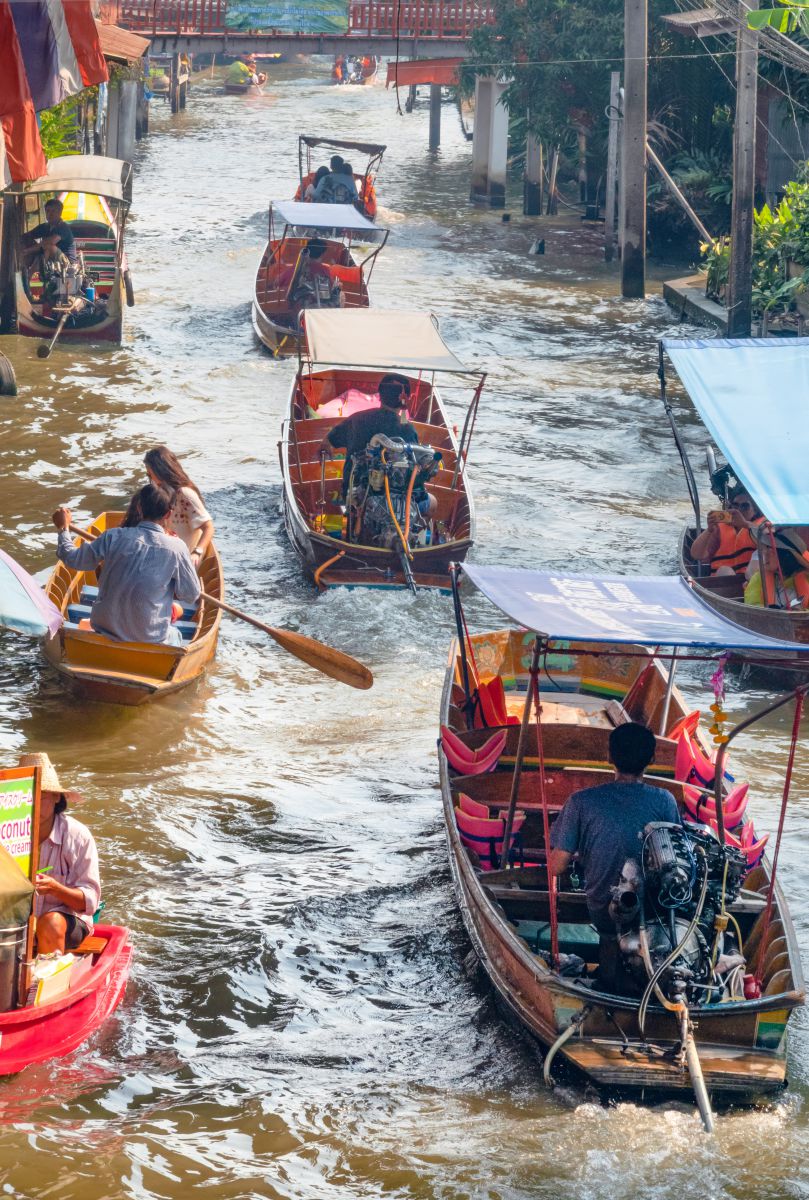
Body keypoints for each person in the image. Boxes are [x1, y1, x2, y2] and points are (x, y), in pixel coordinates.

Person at [549, 722, 681, 987]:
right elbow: (676, 853)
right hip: (656, 912)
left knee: (612, 928)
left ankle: (610, 977)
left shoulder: (580, 802)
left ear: (609, 757)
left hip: (603, 912)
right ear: (652, 760)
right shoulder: (665, 800)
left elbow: (556, 866)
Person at [53, 483, 200, 647]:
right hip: (150, 638)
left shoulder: (112, 536)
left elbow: (72, 558)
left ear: (139, 508)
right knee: (176, 634)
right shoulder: (177, 547)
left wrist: (63, 529)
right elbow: (191, 595)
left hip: (105, 629)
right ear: (168, 514)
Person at [18, 752, 101, 955]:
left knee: (51, 923)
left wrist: (56, 889)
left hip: (66, 919)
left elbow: (90, 902)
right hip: (17, 918)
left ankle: (49, 973)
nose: (32, 804)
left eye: (41, 797)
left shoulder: (77, 836)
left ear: (57, 797)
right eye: (26, 797)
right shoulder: (8, 832)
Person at [320, 374, 419, 497]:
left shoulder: (356, 419)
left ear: (379, 395)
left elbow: (327, 443)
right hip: (392, 497)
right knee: (432, 502)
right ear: (406, 399)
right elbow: (415, 466)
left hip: (351, 494)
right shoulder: (408, 429)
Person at [143, 446, 214, 567]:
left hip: (183, 561)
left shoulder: (184, 494)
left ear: (160, 470)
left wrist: (197, 552)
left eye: (150, 474)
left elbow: (208, 527)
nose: (150, 478)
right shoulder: (160, 493)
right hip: (165, 555)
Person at [690, 487, 764, 576]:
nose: (739, 510)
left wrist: (745, 524)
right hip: (723, 580)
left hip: (750, 578)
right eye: (735, 505)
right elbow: (696, 555)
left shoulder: (762, 526)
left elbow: (771, 541)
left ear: (755, 510)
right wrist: (709, 530)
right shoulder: (719, 528)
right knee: (725, 570)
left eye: (745, 506)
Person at [744, 524, 809, 608]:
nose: (765, 553)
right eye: (765, 548)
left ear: (786, 555)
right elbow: (751, 606)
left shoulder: (806, 578)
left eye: (771, 550)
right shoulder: (759, 578)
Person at [21, 198, 78, 268]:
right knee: (26, 241)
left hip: (68, 264)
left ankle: (34, 273)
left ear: (59, 213)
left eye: (53, 211)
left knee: (49, 247)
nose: (50, 214)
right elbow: (26, 236)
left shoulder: (63, 227)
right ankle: (22, 270)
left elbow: (49, 242)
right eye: (47, 211)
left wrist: (28, 250)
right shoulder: (44, 227)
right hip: (50, 261)